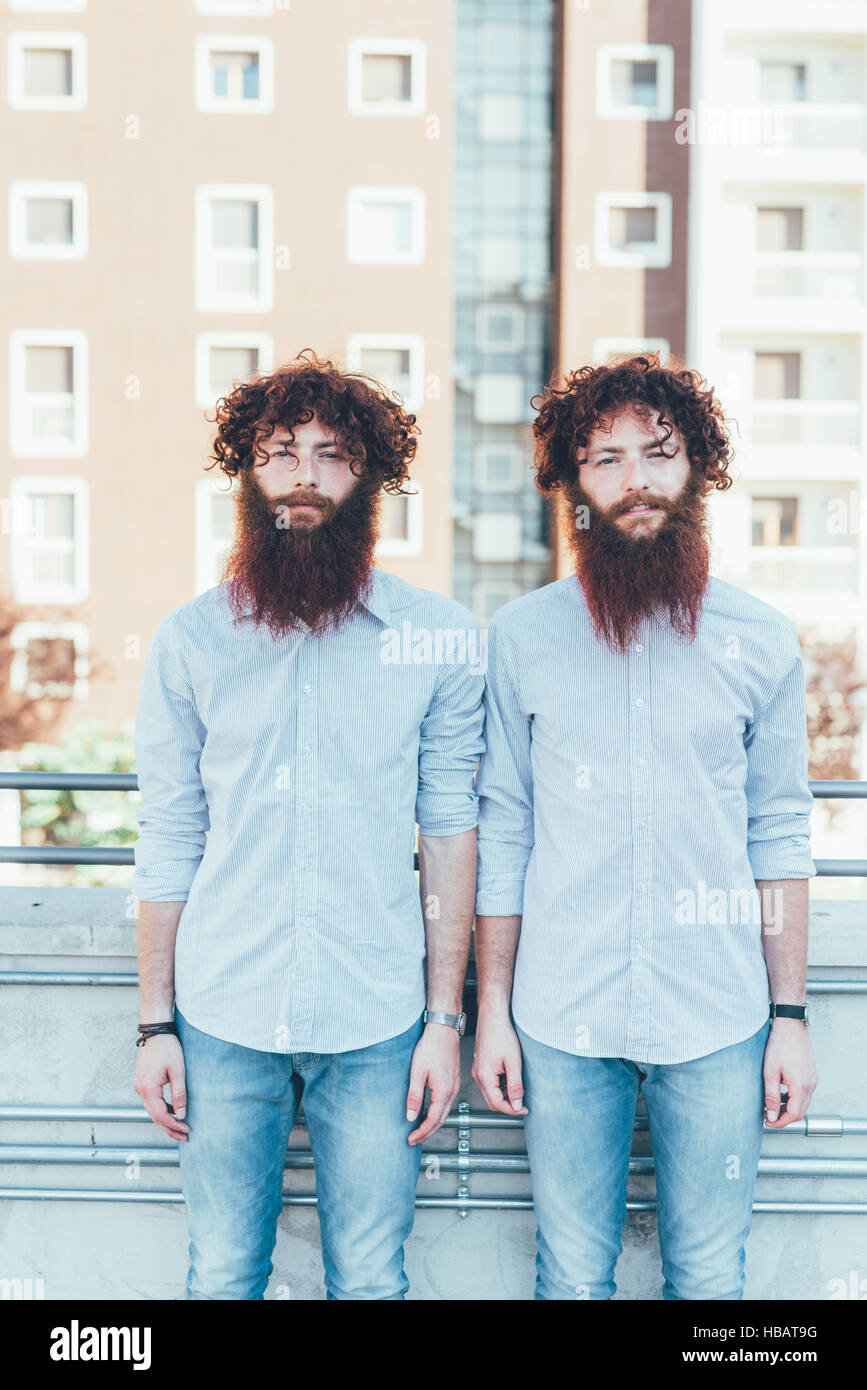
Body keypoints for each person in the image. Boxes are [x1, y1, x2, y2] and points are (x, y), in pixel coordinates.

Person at [132, 351, 484, 1300]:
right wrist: (153, 1024)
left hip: (378, 1017)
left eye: (332, 455)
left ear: (369, 478)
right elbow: (168, 837)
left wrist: (444, 1020)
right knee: (222, 1275)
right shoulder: (189, 641)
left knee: (370, 1278)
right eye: (279, 452)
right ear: (246, 471)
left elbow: (451, 832)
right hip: (221, 1013)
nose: (302, 476)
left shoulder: (438, 639)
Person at [471, 354, 818, 1300]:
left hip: (719, 1016)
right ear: (570, 485)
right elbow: (502, 832)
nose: (635, 482)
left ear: (697, 469)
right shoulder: (521, 638)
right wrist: (490, 1011)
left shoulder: (761, 641)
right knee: (572, 1279)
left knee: (709, 1281)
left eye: (658, 454)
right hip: (559, 1015)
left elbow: (779, 834)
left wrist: (788, 1018)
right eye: (604, 459)